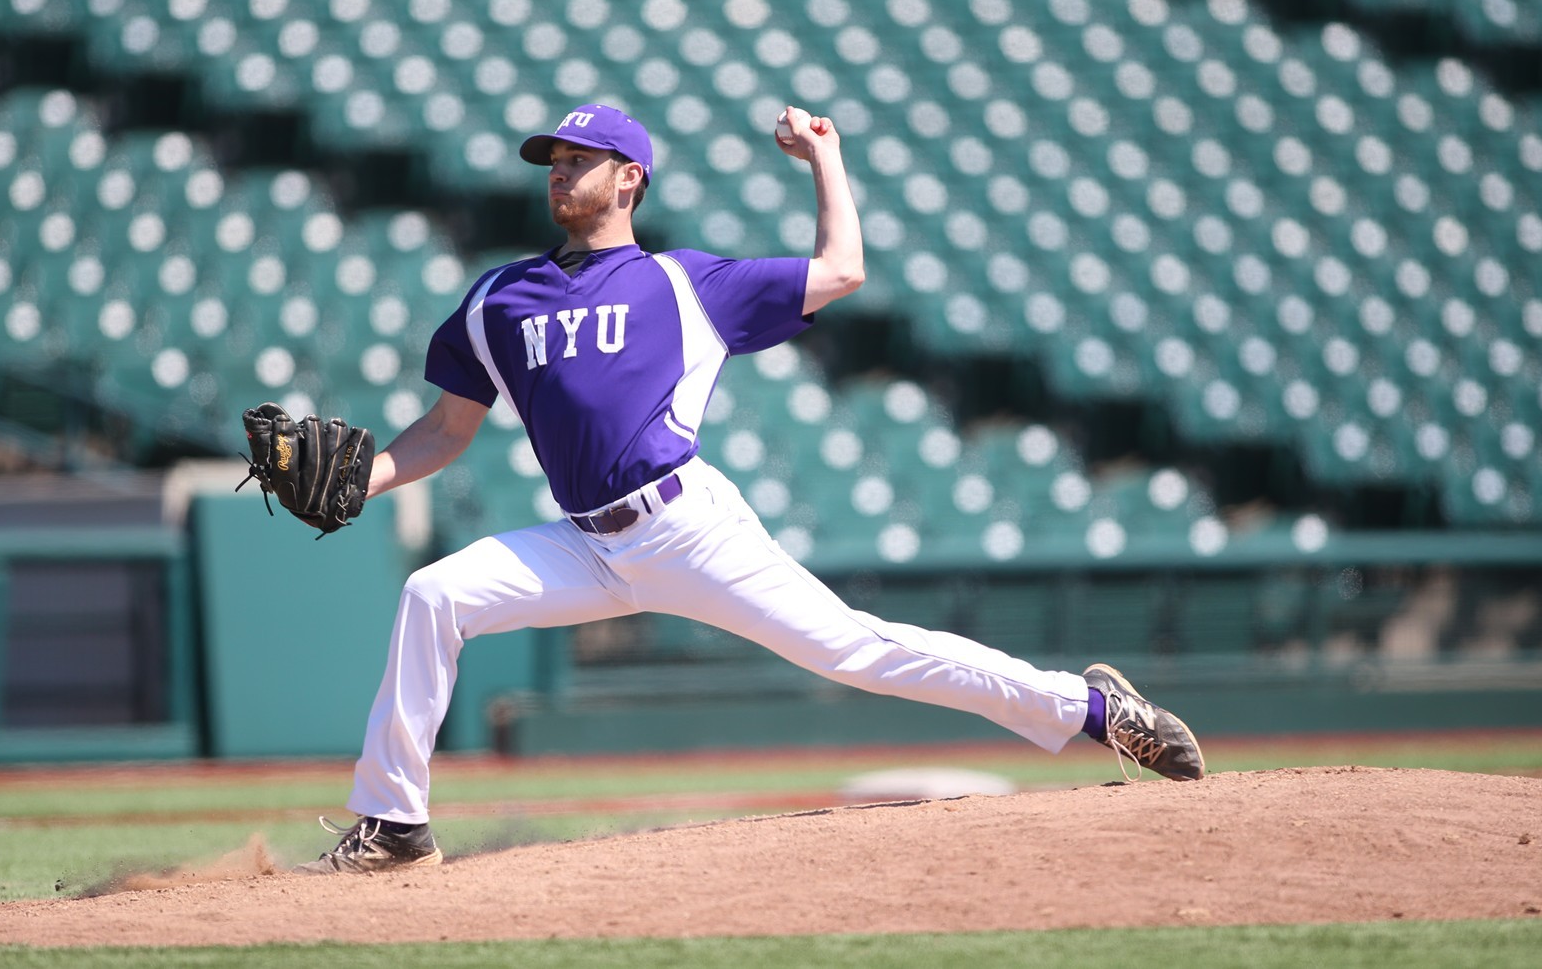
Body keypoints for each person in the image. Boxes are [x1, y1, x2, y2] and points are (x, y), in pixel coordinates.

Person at [294, 104, 1205, 875]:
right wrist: (363, 483)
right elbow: (450, 429)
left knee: (857, 653)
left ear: (631, 180)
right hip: (582, 542)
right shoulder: (500, 299)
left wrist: (827, 159)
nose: (561, 173)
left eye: (582, 161)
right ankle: (395, 822)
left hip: (687, 527)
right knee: (433, 593)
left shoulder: (686, 283)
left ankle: (1094, 708)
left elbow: (843, 269)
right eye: (553, 162)